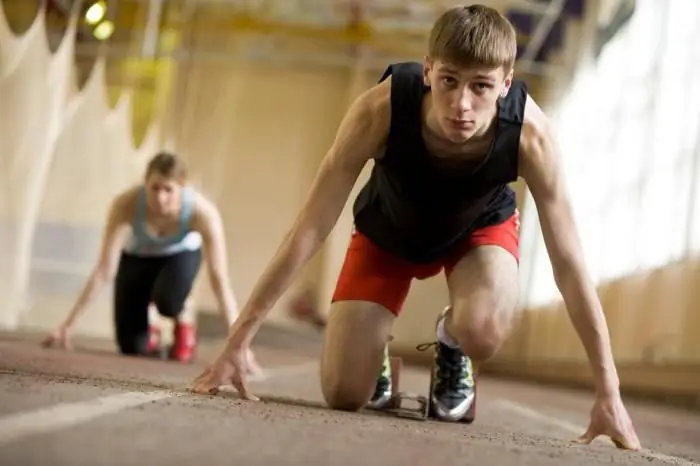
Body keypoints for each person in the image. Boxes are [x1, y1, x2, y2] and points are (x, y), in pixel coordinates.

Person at [189, 4, 640, 450]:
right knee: (346, 394)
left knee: (482, 330)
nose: (462, 104)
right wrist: (237, 341)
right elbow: (309, 228)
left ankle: (453, 342)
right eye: (449, 81)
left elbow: (569, 262)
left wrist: (609, 391)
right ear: (428, 71)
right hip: (387, 230)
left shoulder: (531, 137)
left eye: (481, 86)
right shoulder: (378, 111)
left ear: (506, 84)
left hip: (477, 233)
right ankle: (373, 353)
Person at [42, 152, 261, 372]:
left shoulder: (202, 213)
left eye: (168, 190)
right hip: (137, 258)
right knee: (131, 347)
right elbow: (104, 270)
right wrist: (67, 326)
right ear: (145, 184)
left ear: (183, 187)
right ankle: (151, 325)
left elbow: (219, 280)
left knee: (168, 302)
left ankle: (183, 315)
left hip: (179, 257)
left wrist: (239, 345)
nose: (160, 197)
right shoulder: (125, 204)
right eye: (154, 188)